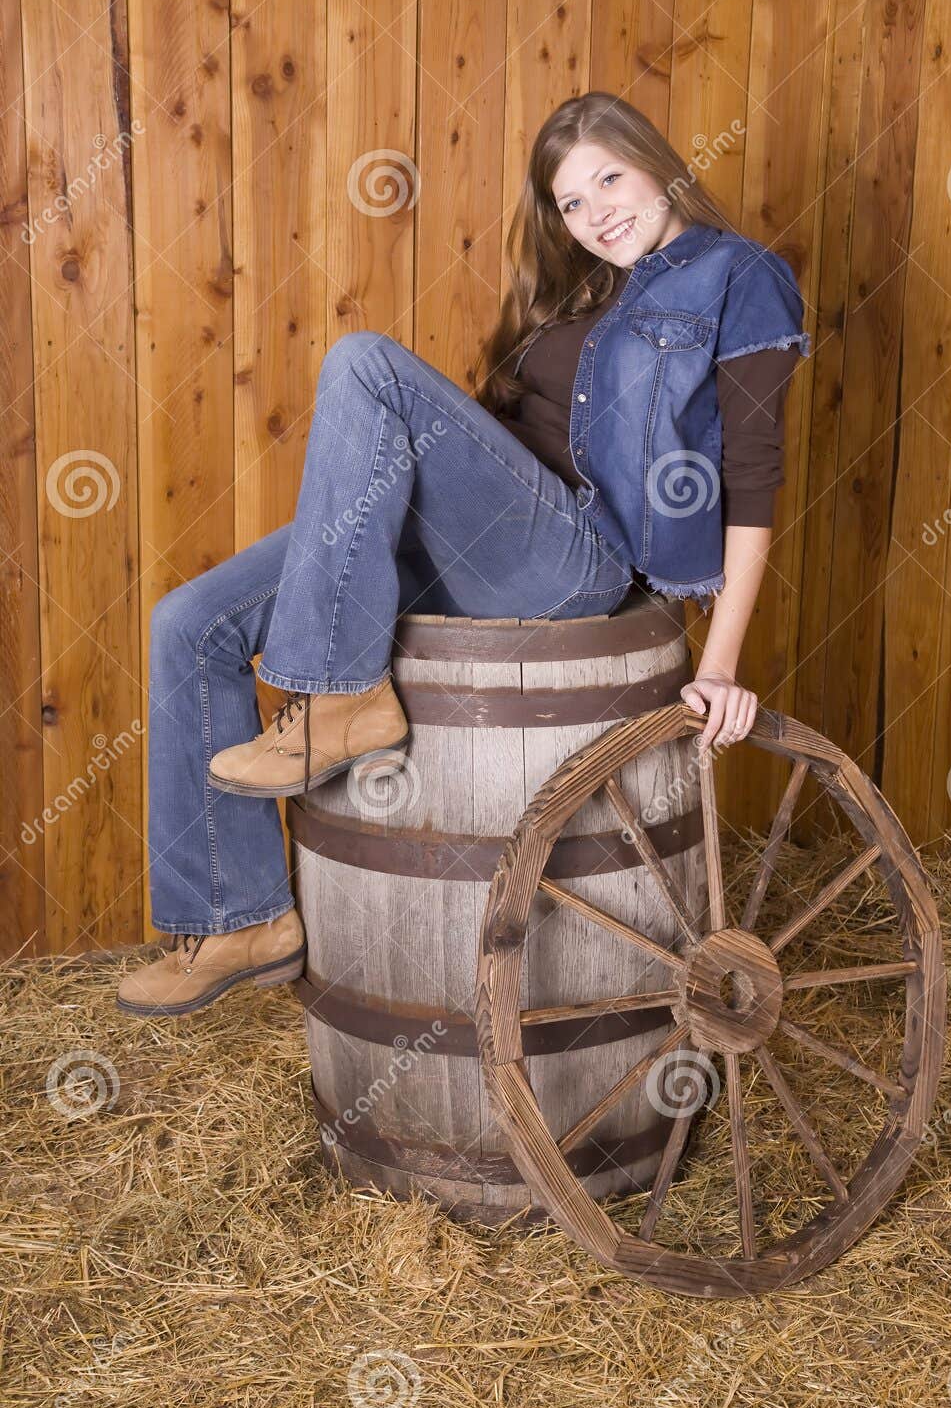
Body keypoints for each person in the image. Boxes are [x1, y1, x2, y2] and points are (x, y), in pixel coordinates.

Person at [116, 91, 809, 1019]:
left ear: (658, 163)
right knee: (187, 624)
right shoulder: (578, 295)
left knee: (363, 359)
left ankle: (340, 695)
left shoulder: (737, 275)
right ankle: (240, 918)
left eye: (610, 177)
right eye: (570, 201)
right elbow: (498, 437)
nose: (596, 210)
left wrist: (721, 666)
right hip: (473, 536)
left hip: (575, 560)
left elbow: (753, 479)